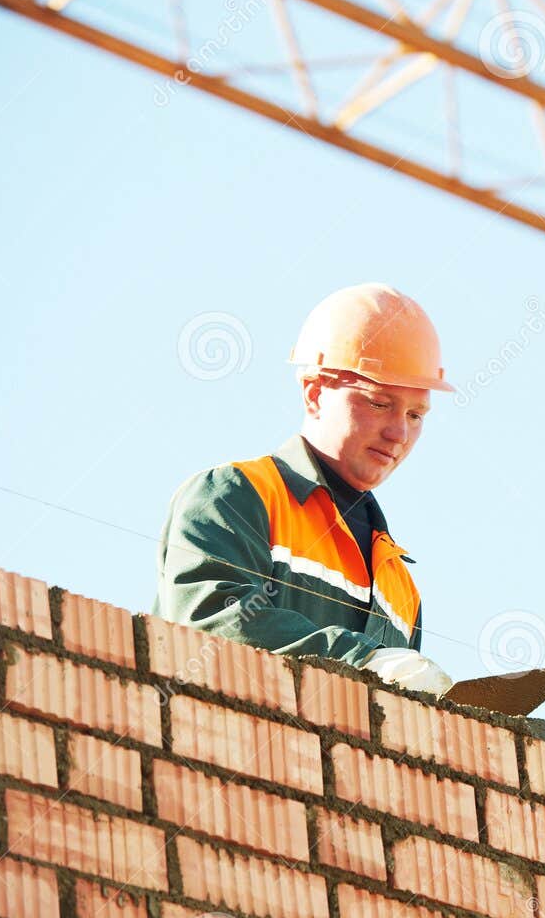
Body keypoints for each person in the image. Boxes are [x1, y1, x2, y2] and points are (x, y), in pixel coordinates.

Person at [153, 283, 454, 696]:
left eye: (416, 415)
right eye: (379, 403)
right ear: (314, 394)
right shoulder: (236, 496)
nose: (399, 433)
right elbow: (209, 625)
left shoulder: (399, 585)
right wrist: (365, 660)